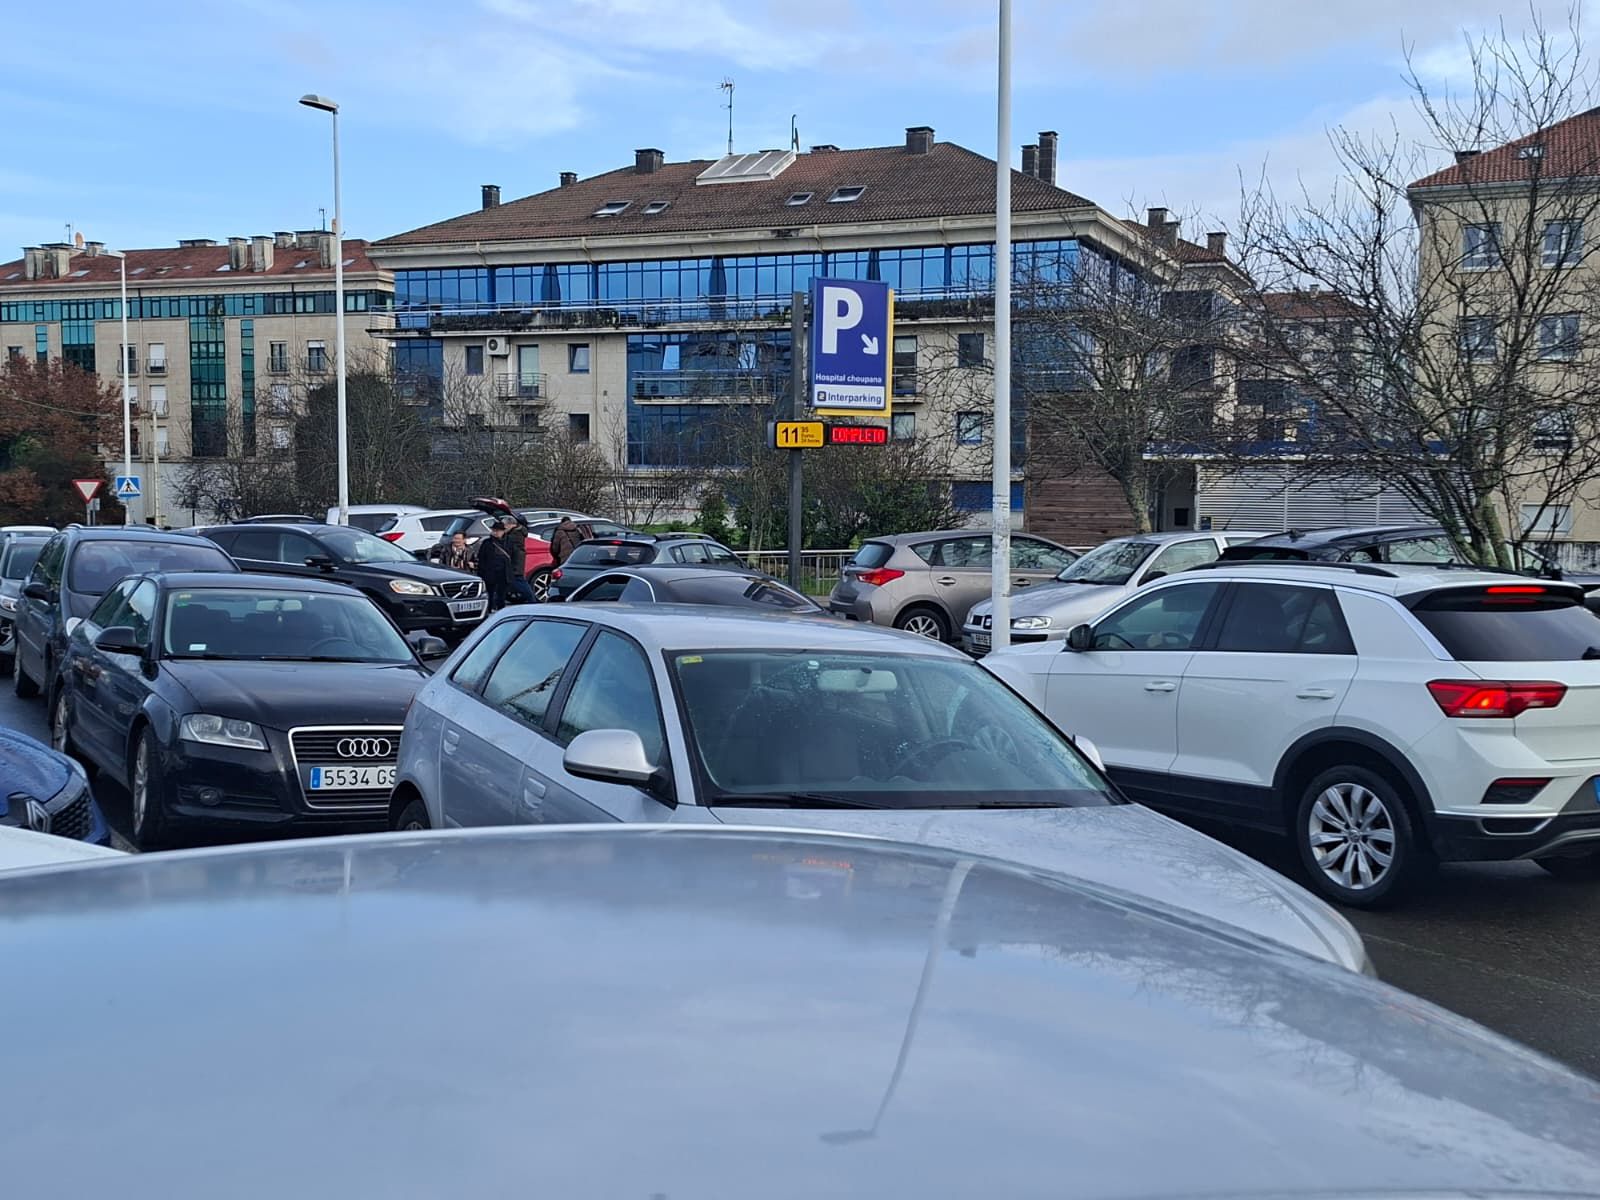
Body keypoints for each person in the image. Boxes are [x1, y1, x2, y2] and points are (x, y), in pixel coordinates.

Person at [476, 520, 512, 611]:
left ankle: (501, 610)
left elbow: (513, 556)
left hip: (504, 572)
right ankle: (489, 609)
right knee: (490, 593)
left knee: (502, 594)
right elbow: (481, 557)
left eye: (498, 531)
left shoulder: (509, 542)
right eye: (494, 530)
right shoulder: (487, 543)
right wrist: (482, 571)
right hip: (490, 572)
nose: (496, 532)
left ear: (503, 531)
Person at [502, 512, 535, 604]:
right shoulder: (517, 532)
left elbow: (509, 549)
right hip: (516, 562)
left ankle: (532, 601)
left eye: (505, 525)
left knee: (519, 581)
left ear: (512, 525)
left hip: (515, 563)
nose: (504, 528)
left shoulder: (514, 535)